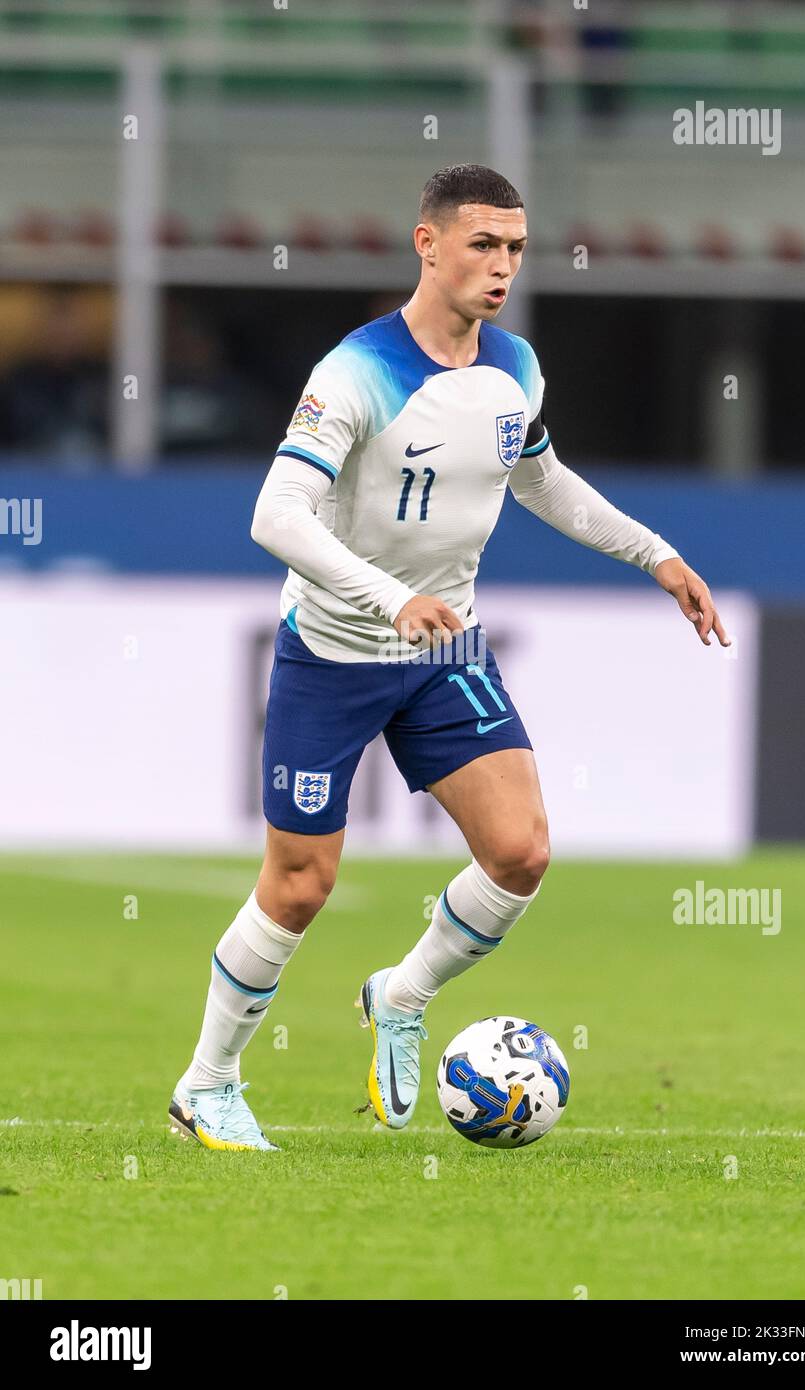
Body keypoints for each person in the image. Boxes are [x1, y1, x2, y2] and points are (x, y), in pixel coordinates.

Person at [168, 164, 729, 1151]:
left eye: (514, 247)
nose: (502, 264)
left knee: (520, 852)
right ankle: (206, 1085)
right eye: (483, 244)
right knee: (298, 885)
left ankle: (402, 993)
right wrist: (392, 599)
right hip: (335, 653)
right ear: (426, 244)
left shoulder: (514, 365)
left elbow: (542, 481)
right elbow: (274, 515)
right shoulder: (356, 373)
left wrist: (658, 554)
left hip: (445, 651)